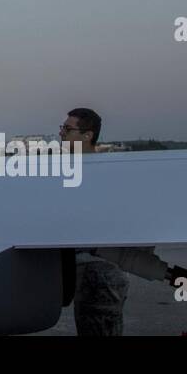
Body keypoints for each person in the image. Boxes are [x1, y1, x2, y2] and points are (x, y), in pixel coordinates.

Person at [60, 107, 130, 335]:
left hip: (99, 272)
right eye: (62, 128)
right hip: (86, 270)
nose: (62, 133)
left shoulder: (101, 173)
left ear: (87, 135)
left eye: (68, 129)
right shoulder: (68, 170)